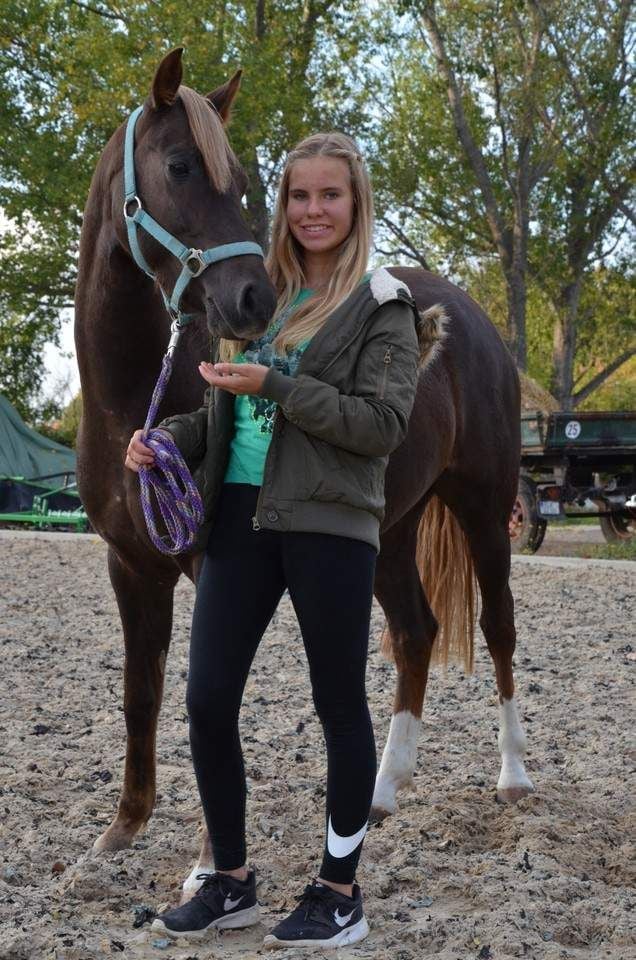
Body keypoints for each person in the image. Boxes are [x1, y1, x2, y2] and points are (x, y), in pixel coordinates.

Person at [124, 131, 421, 949]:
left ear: (355, 203)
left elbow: (380, 427)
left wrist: (280, 385)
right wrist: (168, 442)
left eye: (330, 195)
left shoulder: (381, 303)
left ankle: (338, 892)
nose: (313, 210)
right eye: (299, 195)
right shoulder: (256, 293)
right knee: (208, 700)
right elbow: (226, 410)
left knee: (337, 708)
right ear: (281, 205)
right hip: (239, 519)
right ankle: (231, 880)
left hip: (330, 522)